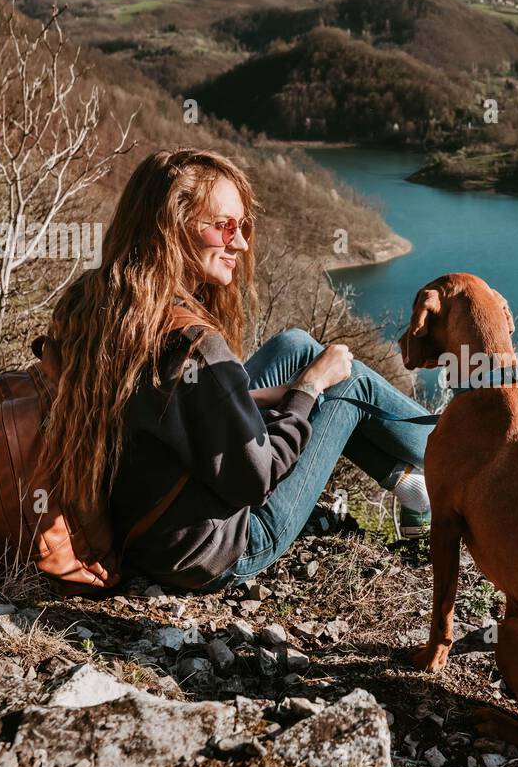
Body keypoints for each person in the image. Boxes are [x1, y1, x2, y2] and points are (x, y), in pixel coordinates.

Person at [37, 148, 433, 591]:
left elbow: (159, 410)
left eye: (242, 228)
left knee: (296, 344)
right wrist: (308, 389)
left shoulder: (95, 303)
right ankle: (448, 446)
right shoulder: (192, 347)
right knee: (345, 378)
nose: (241, 244)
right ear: (171, 228)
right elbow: (255, 481)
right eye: (225, 227)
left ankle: (406, 479)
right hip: (209, 550)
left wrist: (264, 395)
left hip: (136, 520)